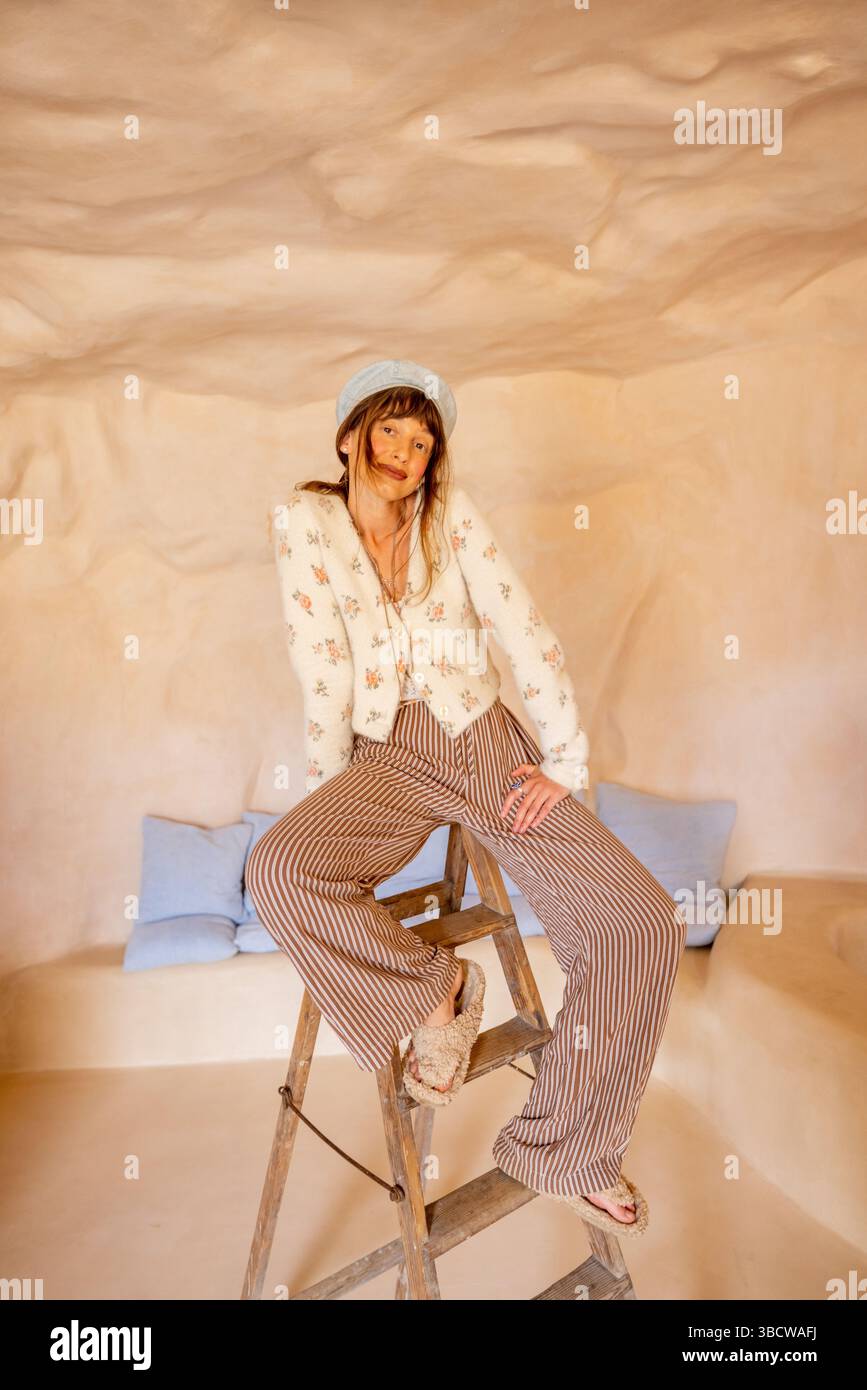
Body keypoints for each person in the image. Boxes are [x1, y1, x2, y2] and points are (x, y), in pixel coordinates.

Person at [246, 359, 687, 1235]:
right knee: (280, 868)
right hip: (384, 753)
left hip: (480, 738)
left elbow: (523, 630)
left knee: (640, 924)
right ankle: (434, 991)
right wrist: (337, 799)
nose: (406, 451)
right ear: (349, 438)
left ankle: (565, 1145)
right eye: (390, 432)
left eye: (422, 439)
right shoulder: (306, 522)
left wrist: (561, 757)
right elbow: (320, 665)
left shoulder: (451, 518)